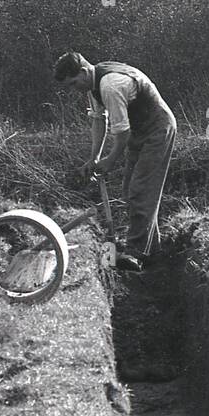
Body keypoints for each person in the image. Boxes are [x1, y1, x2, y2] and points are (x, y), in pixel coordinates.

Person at [54, 51, 177, 272]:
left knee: (141, 190)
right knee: (129, 188)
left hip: (158, 129)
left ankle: (136, 252)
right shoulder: (93, 83)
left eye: (73, 84)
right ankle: (153, 250)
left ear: (82, 72)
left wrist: (110, 160)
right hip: (140, 131)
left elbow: (122, 132)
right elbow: (99, 121)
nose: (74, 90)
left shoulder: (110, 85)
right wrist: (94, 159)